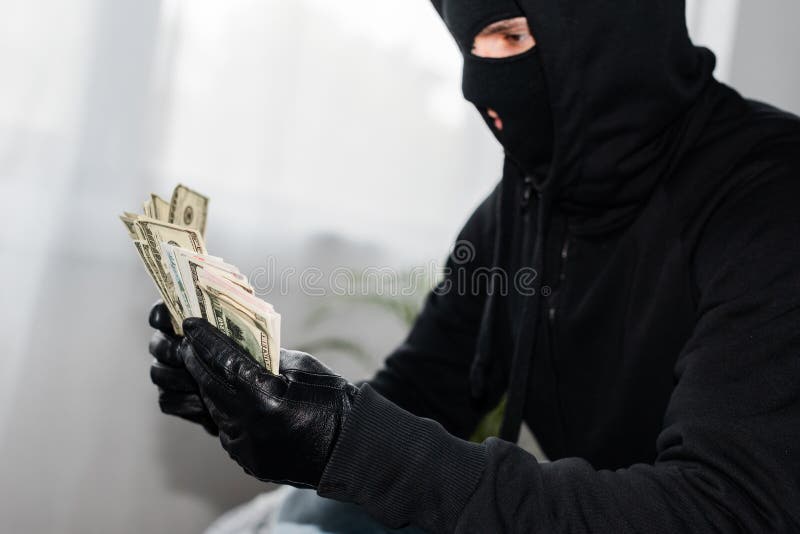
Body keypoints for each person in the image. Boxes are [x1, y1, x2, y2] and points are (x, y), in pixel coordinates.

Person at [147, 0, 800, 532]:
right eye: (470, 42)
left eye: (510, 33)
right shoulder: (520, 203)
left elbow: (721, 510)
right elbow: (423, 392)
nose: (477, 80)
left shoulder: (770, 199)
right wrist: (264, 404)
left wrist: (353, 441)